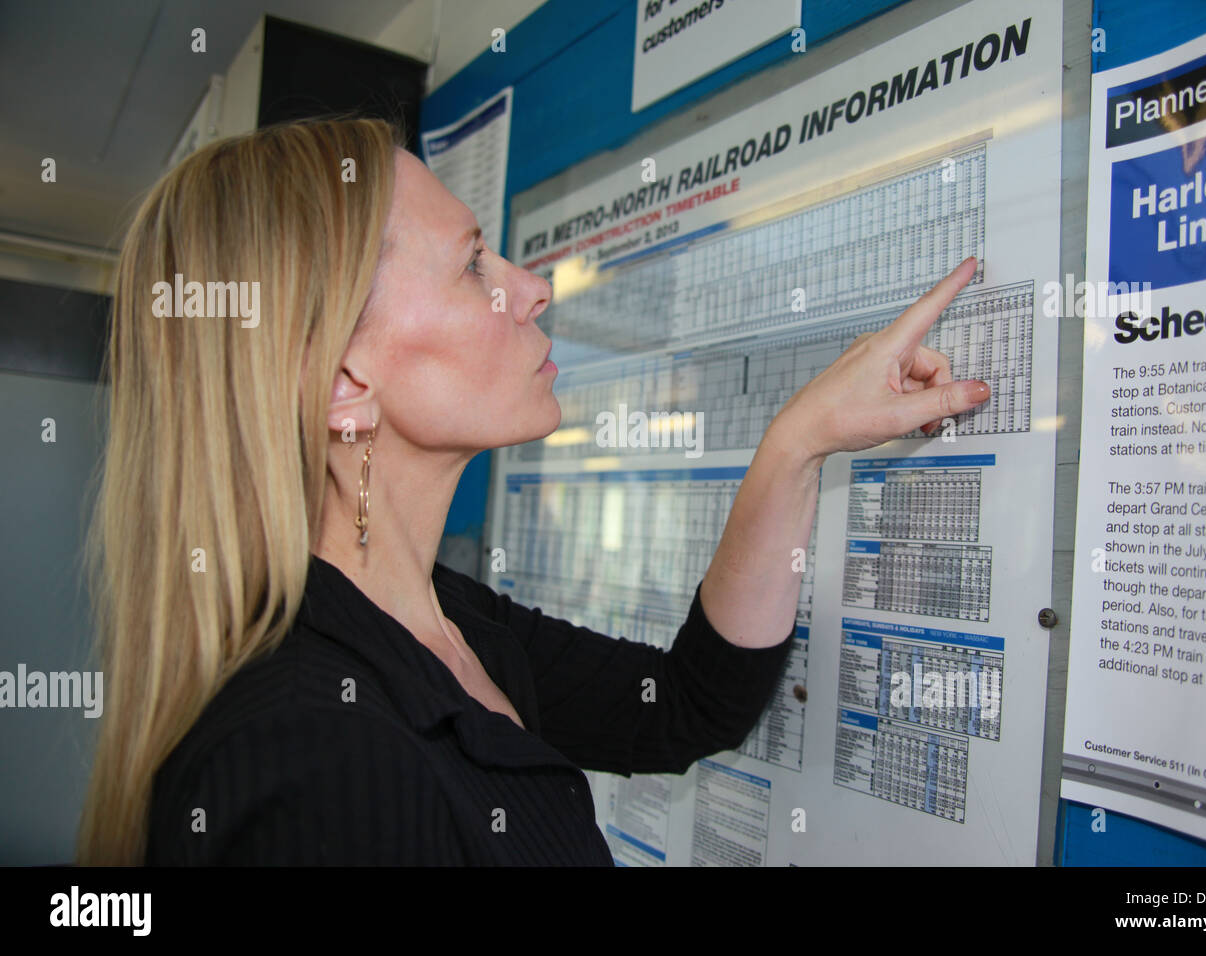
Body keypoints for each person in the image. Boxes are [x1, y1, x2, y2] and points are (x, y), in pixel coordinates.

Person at [77, 117, 989, 865]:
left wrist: (798, 441)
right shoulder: (310, 756)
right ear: (347, 383)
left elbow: (677, 708)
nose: (534, 287)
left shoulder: (446, 623)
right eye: (474, 264)